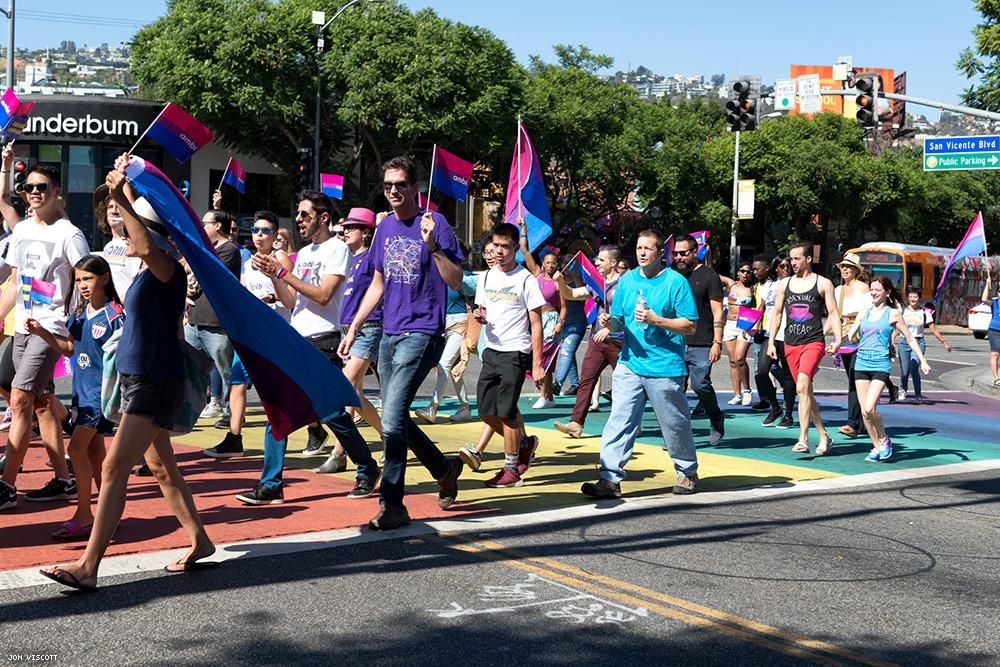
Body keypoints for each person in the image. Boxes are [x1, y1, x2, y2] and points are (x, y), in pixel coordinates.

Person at [39, 159, 216, 589]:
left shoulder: (167, 270)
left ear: (156, 237)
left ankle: (88, 565)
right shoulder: (144, 274)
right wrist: (123, 194)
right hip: (142, 379)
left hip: (156, 383)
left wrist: (123, 197)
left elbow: (145, 246)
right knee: (162, 470)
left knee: (116, 467)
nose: (131, 236)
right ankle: (201, 541)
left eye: (141, 231)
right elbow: (134, 245)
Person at [339, 156, 464, 530]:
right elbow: (377, 282)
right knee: (395, 418)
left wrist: (434, 247)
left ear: (415, 188)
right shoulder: (383, 228)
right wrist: (355, 326)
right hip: (388, 333)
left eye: (400, 185)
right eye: (388, 185)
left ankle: (393, 504)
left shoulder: (434, 223)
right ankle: (445, 468)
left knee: (391, 421)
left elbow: (456, 281)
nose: (393, 191)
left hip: (423, 331)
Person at [235, 191, 380, 504]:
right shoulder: (307, 251)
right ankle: (271, 483)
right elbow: (292, 301)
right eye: (298, 214)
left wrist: (282, 271)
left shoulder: (337, 248)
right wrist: (273, 276)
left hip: (323, 339)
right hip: (298, 337)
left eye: (304, 214)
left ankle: (367, 467)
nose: (298, 220)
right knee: (280, 407)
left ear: (323, 217)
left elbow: (324, 295)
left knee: (330, 413)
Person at [580, 229, 700, 498]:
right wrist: (609, 323)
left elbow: (690, 325)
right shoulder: (627, 281)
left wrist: (657, 320)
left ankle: (687, 471)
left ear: (661, 253)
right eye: (638, 248)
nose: (642, 253)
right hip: (630, 362)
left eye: (648, 248)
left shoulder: (676, 283)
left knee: (674, 423)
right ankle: (609, 478)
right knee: (620, 420)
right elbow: (620, 320)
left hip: (665, 367)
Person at [0, 164, 89, 511]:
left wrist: (75, 321)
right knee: (40, 403)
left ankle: (6, 484)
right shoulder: (21, 231)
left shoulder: (69, 234)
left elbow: (87, 279)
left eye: (42, 187)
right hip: (23, 325)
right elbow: (18, 284)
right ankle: (62, 479)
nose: (34, 193)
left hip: (50, 329)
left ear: (57, 192)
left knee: (20, 400)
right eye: (29, 188)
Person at [28, 255, 124, 538]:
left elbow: (122, 359)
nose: (82, 285)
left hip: (99, 397)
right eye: (79, 279)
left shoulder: (114, 316)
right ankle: (110, 512)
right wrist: (42, 332)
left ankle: (84, 514)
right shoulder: (81, 313)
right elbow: (70, 349)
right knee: (96, 455)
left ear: (104, 278)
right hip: (82, 397)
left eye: (88, 278)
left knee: (76, 450)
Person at [203, 210, 292, 458]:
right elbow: (243, 294)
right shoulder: (247, 262)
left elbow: (292, 299)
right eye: (255, 230)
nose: (258, 235)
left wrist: (272, 294)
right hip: (251, 333)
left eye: (265, 231)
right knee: (238, 382)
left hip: (276, 334)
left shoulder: (281, 259)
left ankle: (315, 427)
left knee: (282, 389)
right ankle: (234, 437)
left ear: (275, 236)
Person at [314, 207, 386, 474]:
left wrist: (382, 223)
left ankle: (340, 451)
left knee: (343, 386)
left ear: (366, 233)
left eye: (351, 228)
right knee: (353, 394)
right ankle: (386, 435)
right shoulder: (347, 258)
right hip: (346, 330)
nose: (344, 231)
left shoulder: (371, 257)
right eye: (343, 227)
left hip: (369, 327)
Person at [474, 222, 545, 488]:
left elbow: (536, 323)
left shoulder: (525, 278)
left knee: (506, 412)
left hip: (515, 352)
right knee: (485, 410)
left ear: (516, 248)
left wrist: (537, 365)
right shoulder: (486, 277)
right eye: (496, 245)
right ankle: (524, 444)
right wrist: (480, 317)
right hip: (491, 350)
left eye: (506, 246)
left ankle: (512, 469)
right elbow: (482, 310)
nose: (499, 251)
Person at [767, 241, 841, 455]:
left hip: (813, 341)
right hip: (790, 343)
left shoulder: (823, 283)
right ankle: (824, 435)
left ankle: (803, 438)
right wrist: (772, 341)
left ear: (809, 259)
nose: (793, 263)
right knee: (806, 391)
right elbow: (778, 314)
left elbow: (834, 313)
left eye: (797, 258)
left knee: (801, 386)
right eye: (791, 259)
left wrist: (837, 339)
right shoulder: (784, 284)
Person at [849, 276, 931, 462]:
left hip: (880, 365)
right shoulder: (864, 312)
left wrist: (923, 360)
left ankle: (883, 438)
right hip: (861, 363)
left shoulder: (892, 313)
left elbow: (910, 338)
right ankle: (877, 446)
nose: (874, 292)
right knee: (864, 412)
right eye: (872, 289)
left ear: (887, 292)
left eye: (878, 289)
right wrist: (837, 344)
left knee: (870, 408)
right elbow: (851, 335)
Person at [553, 244, 622, 438]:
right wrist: (560, 283)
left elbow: (630, 313)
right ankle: (576, 423)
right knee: (587, 380)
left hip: (621, 343)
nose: (596, 263)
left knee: (627, 384)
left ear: (613, 262)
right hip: (597, 340)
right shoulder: (597, 284)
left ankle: (634, 421)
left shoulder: (625, 284)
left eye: (601, 260)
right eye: (596, 259)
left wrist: (610, 329)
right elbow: (572, 294)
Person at [185, 208, 242, 420]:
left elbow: (210, 272)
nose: (202, 226)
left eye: (205, 223)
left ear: (218, 225)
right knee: (190, 367)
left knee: (226, 370)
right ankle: (198, 404)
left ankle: (232, 411)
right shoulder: (205, 248)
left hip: (216, 321)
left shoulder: (229, 249)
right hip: (195, 320)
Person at [415, 240, 475, 426]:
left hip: (460, 324)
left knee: (444, 364)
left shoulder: (467, 278)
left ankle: (432, 408)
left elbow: (475, 304)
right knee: (453, 368)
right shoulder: (440, 274)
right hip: (442, 326)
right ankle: (465, 408)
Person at [673, 234, 725, 445]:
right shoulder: (673, 277)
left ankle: (715, 417)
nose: (679, 257)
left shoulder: (708, 276)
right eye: (675, 253)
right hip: (675, 342)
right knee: (674, 389)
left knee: (700, 384)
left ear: (695, 252)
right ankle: (677, 434)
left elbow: (718, 311)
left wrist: (717, 342)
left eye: (683, 253)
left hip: (702, 341)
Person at [520, 244, 564, 409]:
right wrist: (523, 231)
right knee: (536, 358)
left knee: (545, 360)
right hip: (536, 320)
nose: (551, 266)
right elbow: (525, 252)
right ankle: (549, 397)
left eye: (554, 263)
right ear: (543, 264)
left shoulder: (559, 282)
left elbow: (563, 307)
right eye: (548, 262)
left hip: (552, 321)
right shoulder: (537, 275)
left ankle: (543, 396)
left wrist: (560, 323)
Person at [895, 287, 950, 402]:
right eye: (910, 297)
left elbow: (933, 329)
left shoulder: (925, 312)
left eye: (915, 297)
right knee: (904, 371)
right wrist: (892, 338)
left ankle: (918, 395)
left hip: (919, 342)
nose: (912, 299)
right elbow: (897, 328)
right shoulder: (903, 311)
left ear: (919, 297)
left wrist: (944, 342)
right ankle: (903, 389)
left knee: (914, 367)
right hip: (904, 342)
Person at [769, 256, 797, 429]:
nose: (787, 268)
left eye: (789, 265)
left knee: (789, 375)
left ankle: (788, 414)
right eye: (783, 266)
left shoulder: (797, 284)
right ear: (776, 269)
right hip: (772, 332)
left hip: (790, 334)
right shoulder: (771, 285)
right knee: (765, 368)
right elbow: (765, 308)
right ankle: (775, 407)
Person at [722, 261, 755, 406]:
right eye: (743, 271)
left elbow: (757, 308)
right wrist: (707, 256)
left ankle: (747, 390)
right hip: (729, 323)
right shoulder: (732, 285)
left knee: (740, 358)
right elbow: (712, 274)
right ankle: (737, 394)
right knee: (732, 361)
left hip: (744, 323)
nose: (745, 274)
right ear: (738, 272)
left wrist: (748, 326)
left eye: (748, 272)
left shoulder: (753, 289)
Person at [984, 276, 1000, 386]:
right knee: (995, 354)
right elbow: (984, 299)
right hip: (995, 330)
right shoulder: (995, 302)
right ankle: (996, 378)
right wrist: (987, 284)